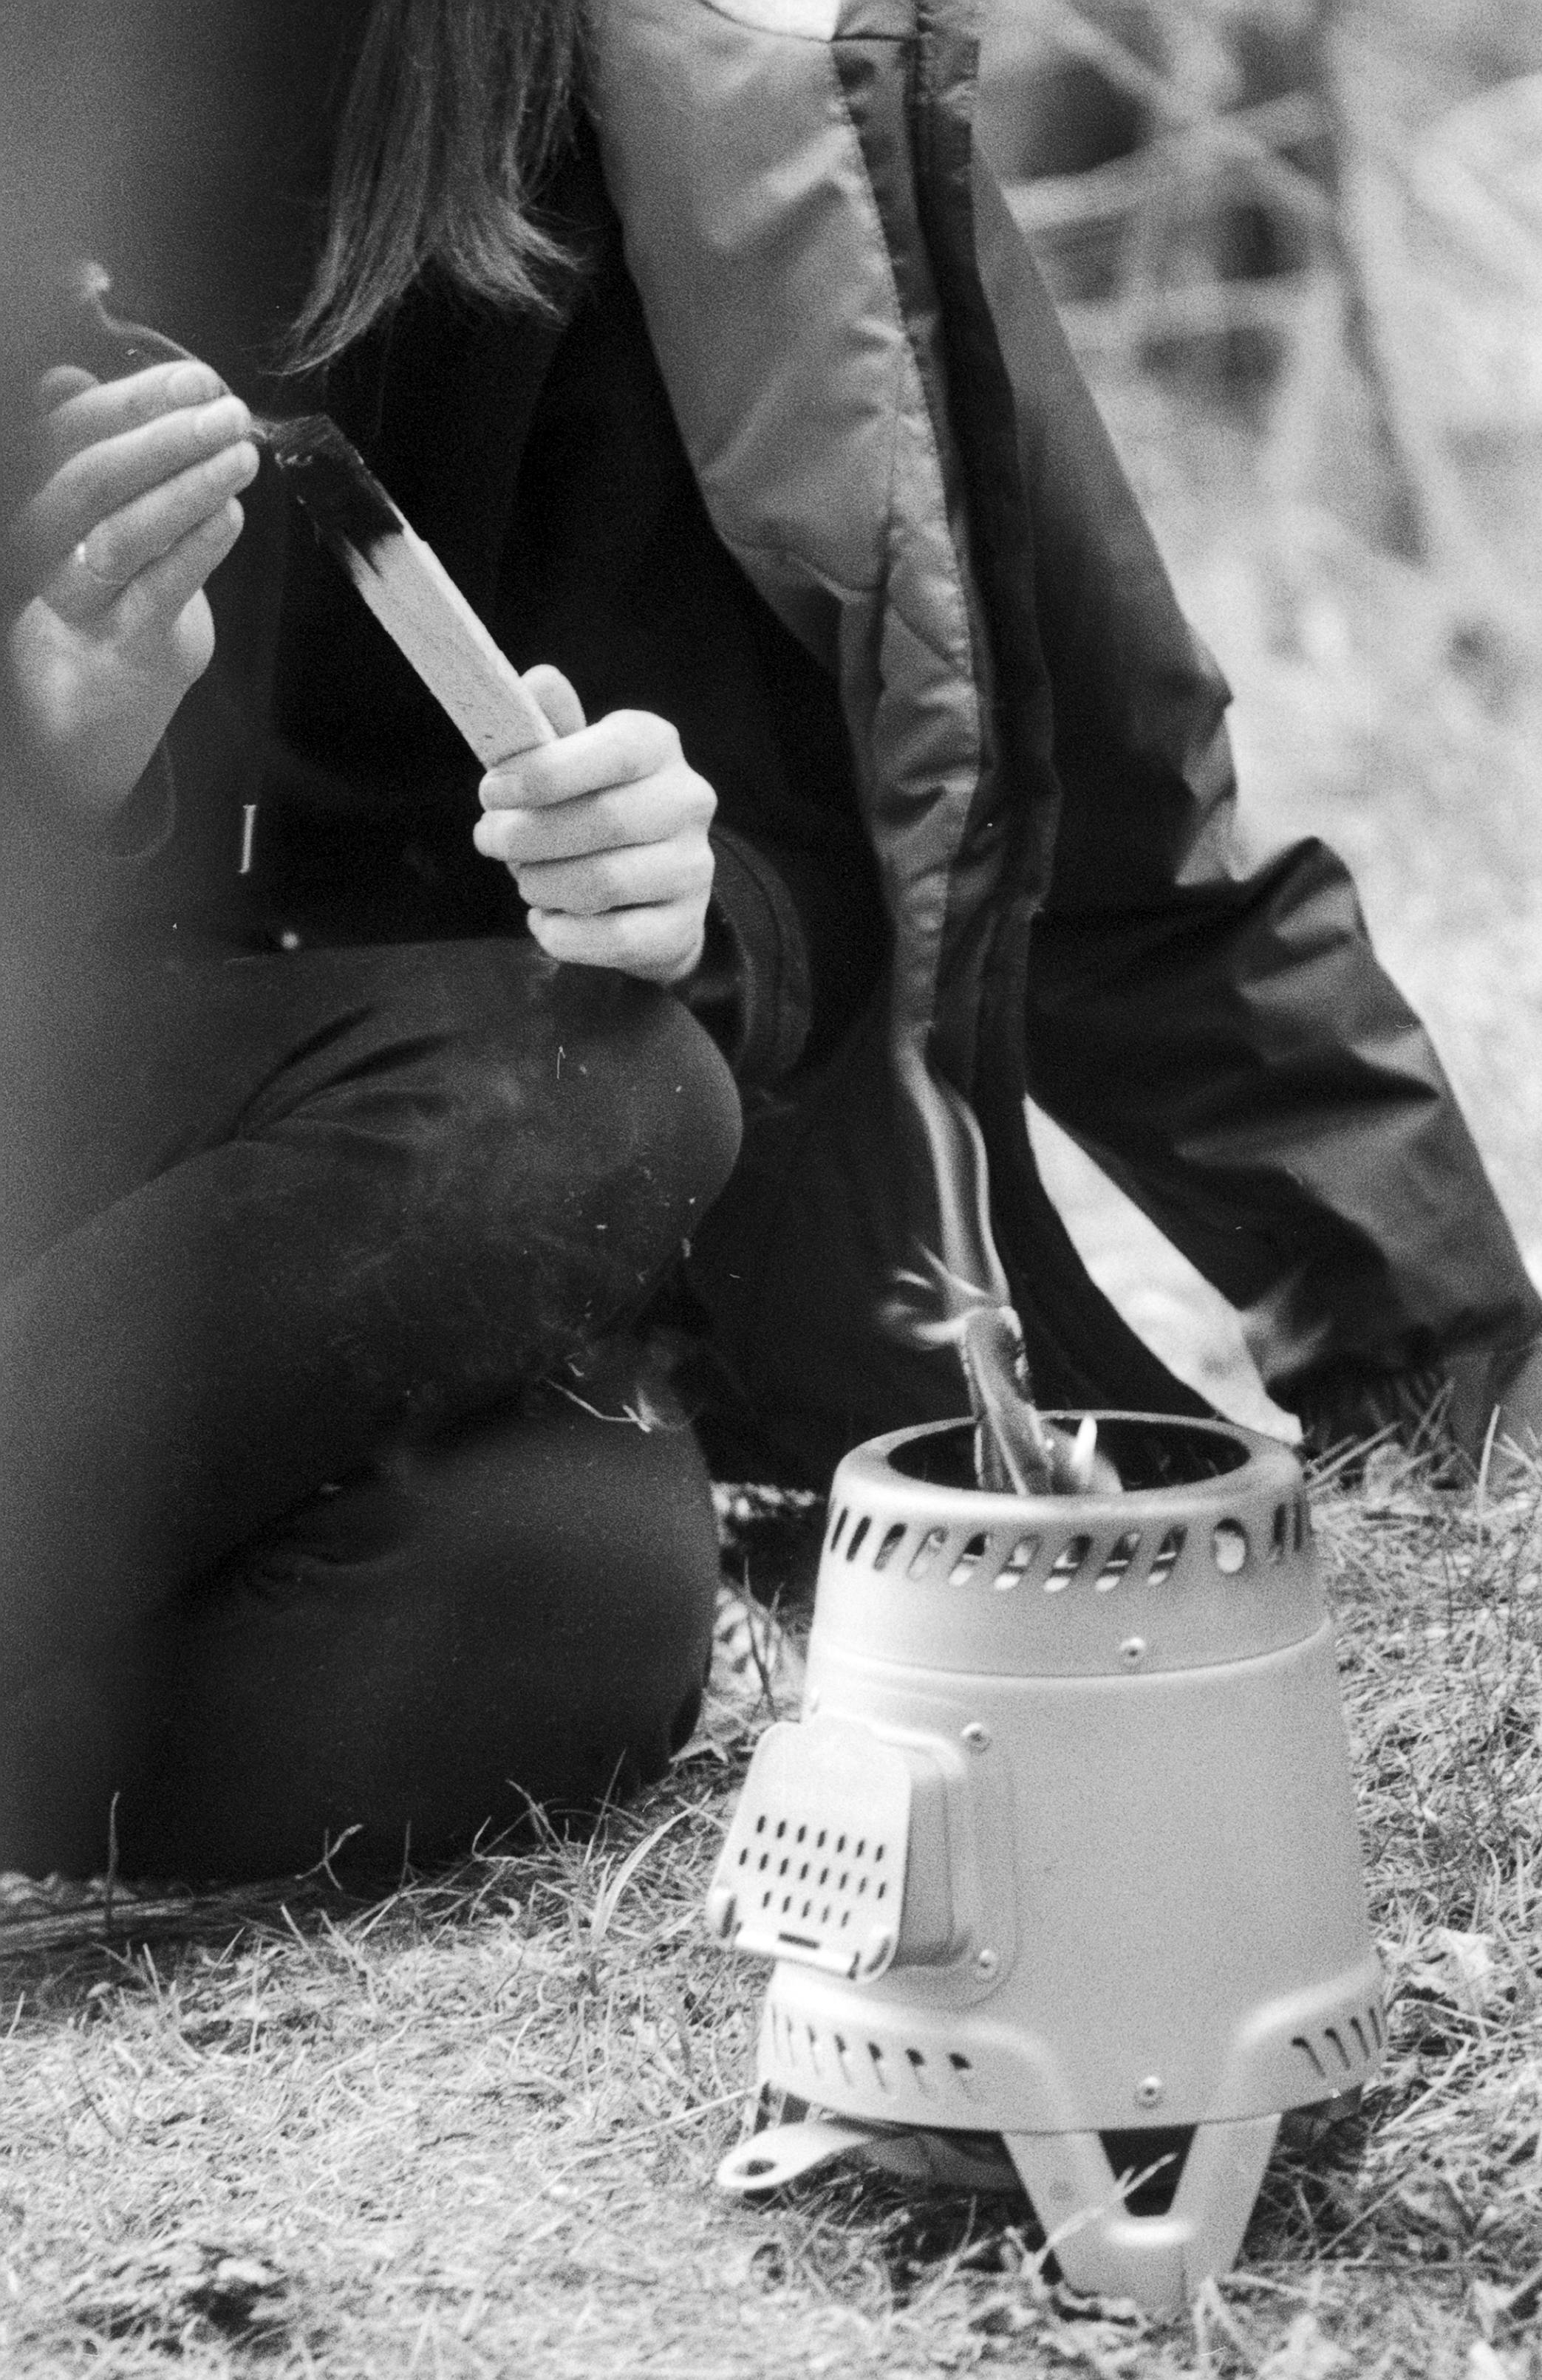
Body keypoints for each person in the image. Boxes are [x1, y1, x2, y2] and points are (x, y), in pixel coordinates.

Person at [2, 0, 1537, 1884]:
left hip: (366, 1252)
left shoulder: (722, 134)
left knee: (581, 1596)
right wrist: (52, 773)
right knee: (584, 1097)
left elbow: (1097, 838)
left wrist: (681, 908)